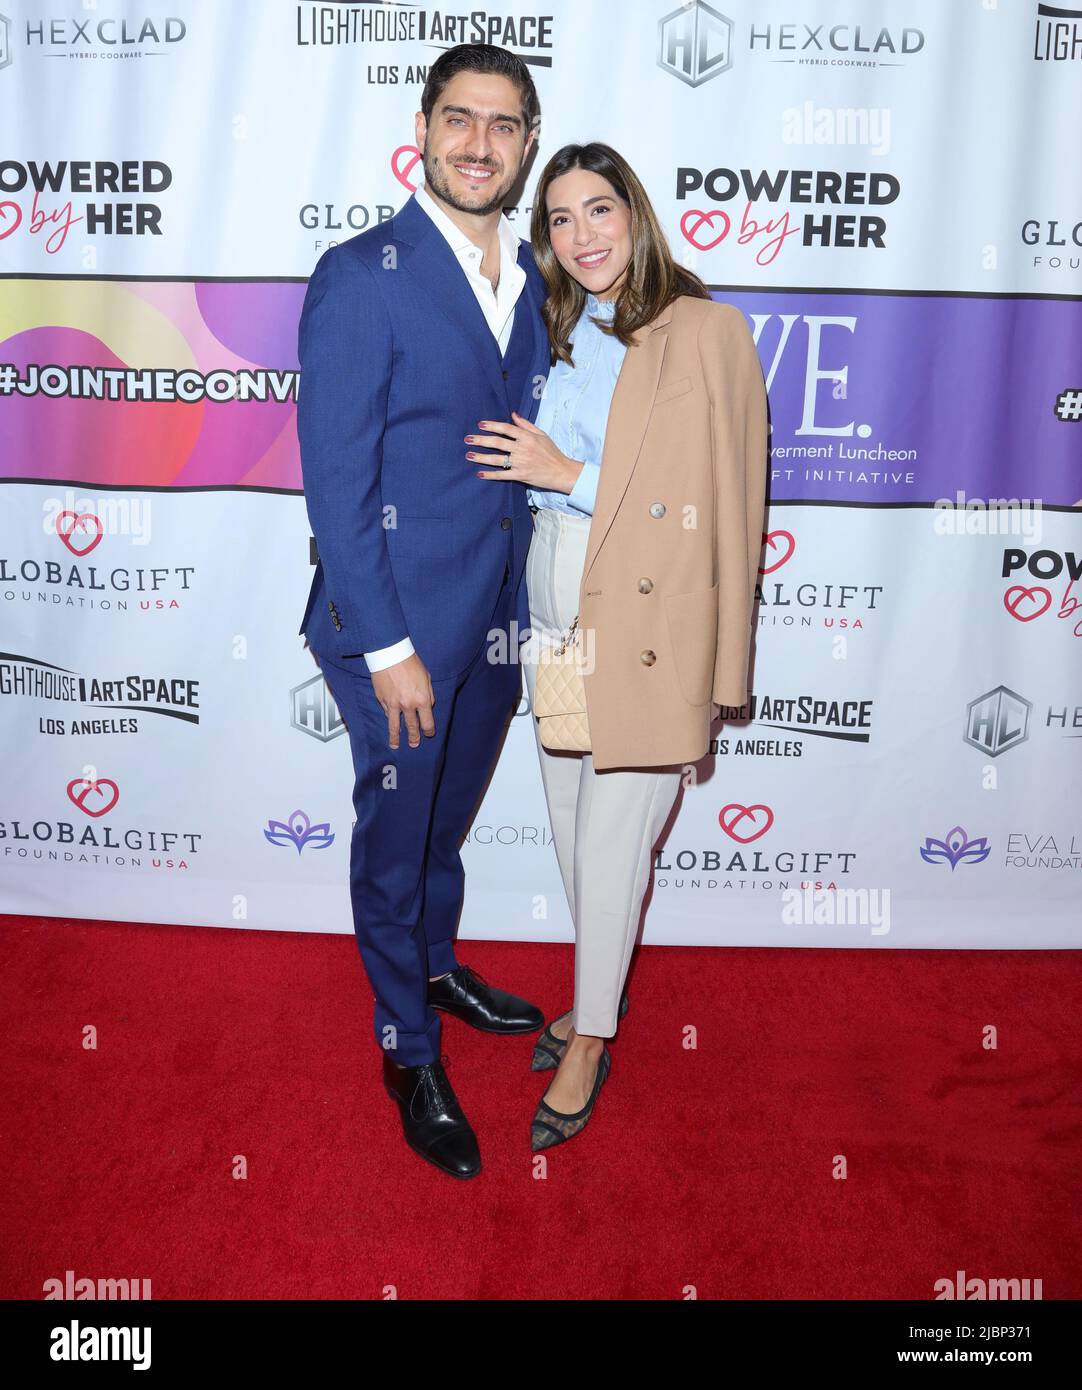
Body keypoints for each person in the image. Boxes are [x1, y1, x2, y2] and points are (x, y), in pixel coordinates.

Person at [468, 142, 768, 1150]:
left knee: (607, 846)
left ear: (634, 215)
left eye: (599, 210)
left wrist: (568, 472)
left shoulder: (705, 331)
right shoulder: (552, 327)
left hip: (647, 632)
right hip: (551, 621)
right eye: (559, 218)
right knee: (572, 839)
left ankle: (591, 1035)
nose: (581, 234)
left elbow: (718, 506)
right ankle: (601, 991)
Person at [295, 45, 553, 1180]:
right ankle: (407, 1047)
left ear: (527, 141)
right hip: (394, 629)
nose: (479, 145)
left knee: (443, 820)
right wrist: (391, 647)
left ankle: (436, 963)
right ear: (422, 125)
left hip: (496, 614)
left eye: (503, 126)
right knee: (396, 843)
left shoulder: (539, 277)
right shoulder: (365, 273)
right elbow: (335, 482)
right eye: (460, 119)